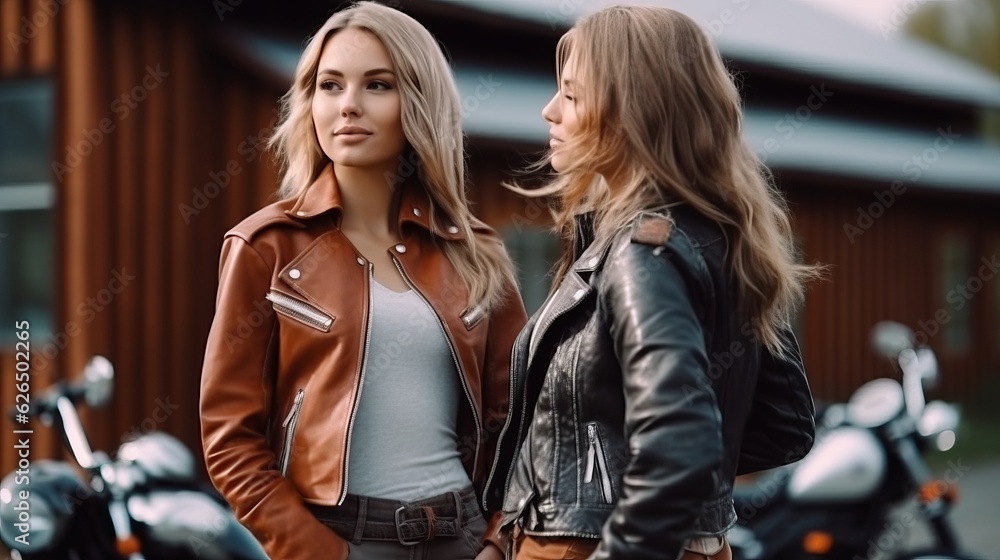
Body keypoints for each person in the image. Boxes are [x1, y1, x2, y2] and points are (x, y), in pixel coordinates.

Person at [479, 6, 820, 560]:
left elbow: (682, 446)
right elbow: (785, 425)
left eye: (570, 96)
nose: (548, 111)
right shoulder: (717, 234)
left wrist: (610, 497)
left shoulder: (645, 252)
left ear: (631, 110)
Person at [198, 3, 527, 559]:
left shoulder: (475, 250)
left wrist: (498, 541)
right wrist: (322, 554)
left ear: (419, 101)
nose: (348, 105)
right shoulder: (265, 247)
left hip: (463, 538)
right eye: (330, 85)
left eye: (377, 85)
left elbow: (519, 420)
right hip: (341, 538)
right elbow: (231, 441)